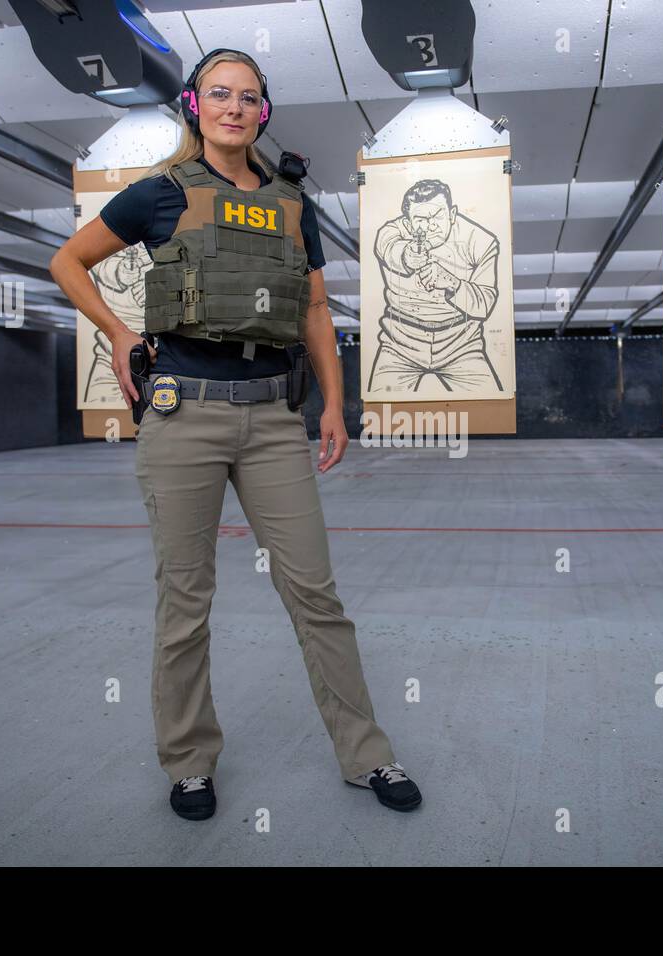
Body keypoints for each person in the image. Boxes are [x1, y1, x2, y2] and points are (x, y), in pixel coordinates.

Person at [50, 48, 420, 820]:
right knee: (185, 599)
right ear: (193, 105)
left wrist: (330, 402)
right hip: (183, 415)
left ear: (263, 113)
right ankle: (189, 762)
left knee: (316, 593)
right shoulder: (157, 193)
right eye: (218, 94)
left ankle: (367, 755)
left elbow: (315, 310)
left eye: (249, 97)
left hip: (273, 416)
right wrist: (118, 335)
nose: (234, 107)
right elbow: (70, 262)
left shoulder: (292, 204)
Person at [367, 179, 504, 394]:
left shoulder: (481, 241)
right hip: (400, 343)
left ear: (452, 214)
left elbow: (484, 304)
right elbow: (387, 245)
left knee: (491, 409)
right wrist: (406, 256)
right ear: (408, 222)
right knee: (380, 415)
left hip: (461, 344)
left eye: (437, 216)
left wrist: (451, 282)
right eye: (420, 219)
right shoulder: (392, 231)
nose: (430, 226)